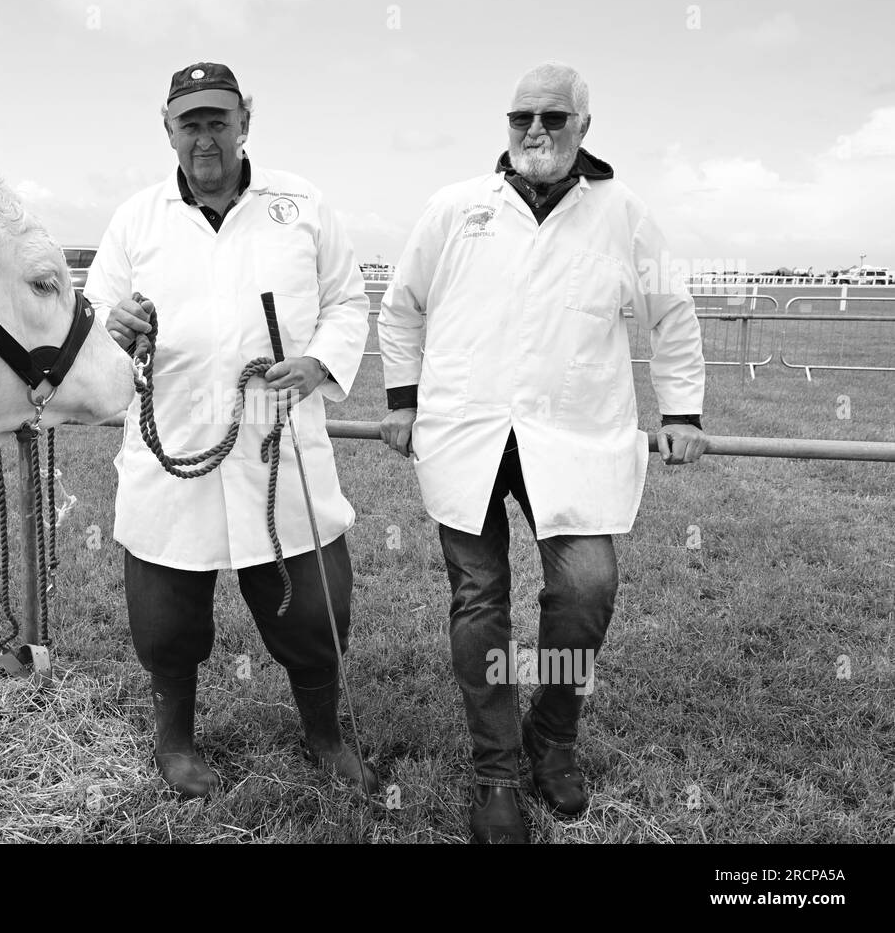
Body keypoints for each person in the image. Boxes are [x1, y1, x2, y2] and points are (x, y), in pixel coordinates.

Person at [378, 61, 708, 842]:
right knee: (479, 600)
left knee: (586, 590)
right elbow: (402, 309)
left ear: (584, 127)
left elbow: (673, 312)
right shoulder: (457, 208)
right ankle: (495, 774)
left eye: (553, 118)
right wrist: (402, 402)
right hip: (468, 435)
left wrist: (683, 411)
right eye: (521, 116)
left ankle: (551, 739)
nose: (535, 130)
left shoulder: (621, 213)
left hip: (575, 437)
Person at [85, 62, 375, 798]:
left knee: (313, 612)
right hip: (173, 447)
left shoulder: (302, 205)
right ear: (168, 128)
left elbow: (347, 303)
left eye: (219, 119)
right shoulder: (136, 220)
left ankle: (324, 734)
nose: (205, 136)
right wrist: (120, 331)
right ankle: (176, 744)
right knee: (164, 621)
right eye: (191, 123)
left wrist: (316, 363)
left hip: (277, 445)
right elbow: (95, 325)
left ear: (246, 118)